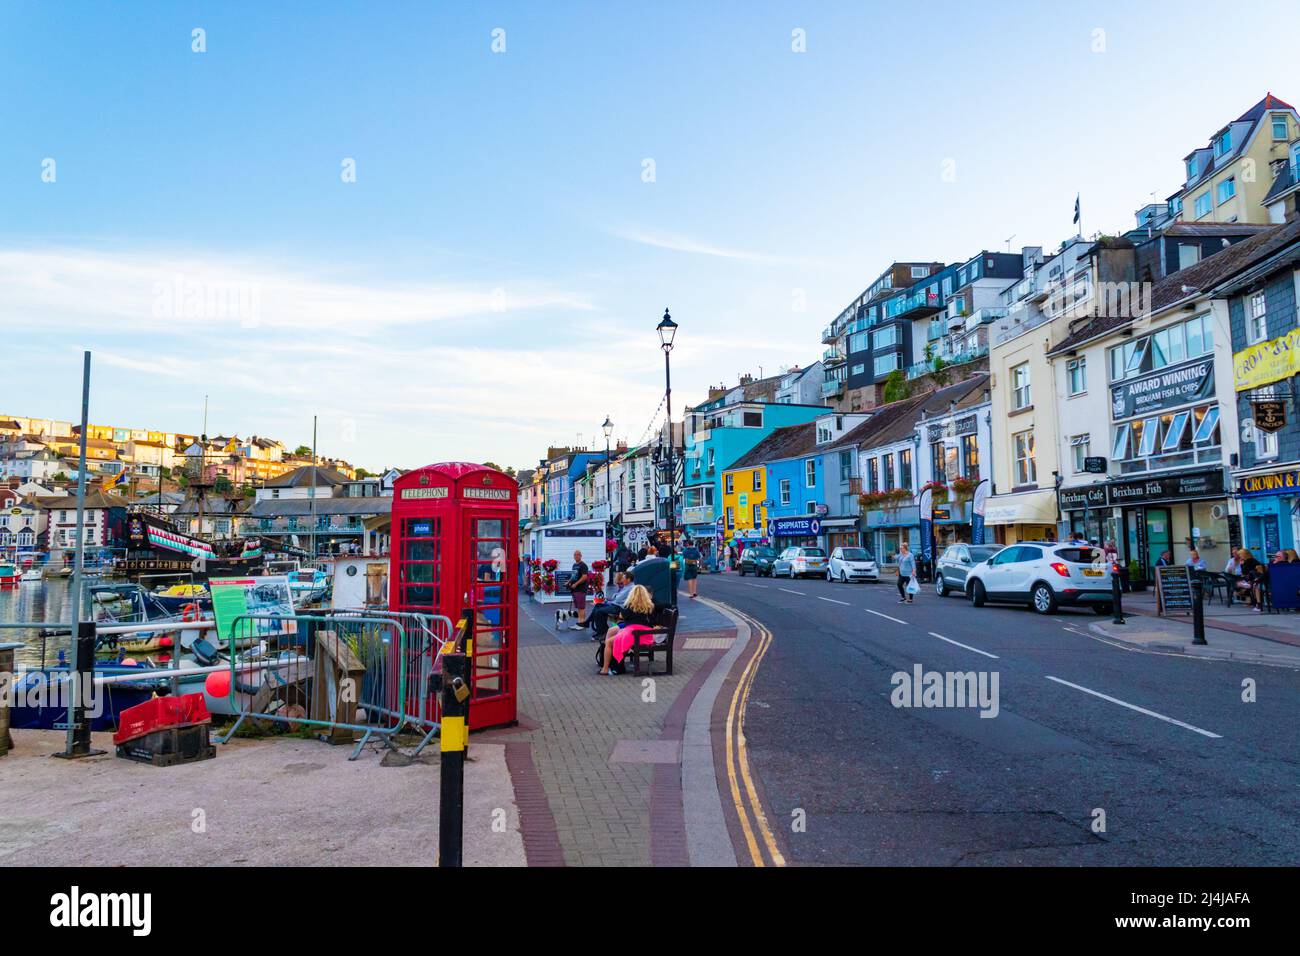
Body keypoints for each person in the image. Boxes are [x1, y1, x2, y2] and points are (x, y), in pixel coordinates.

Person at [596, 585, 658, 675]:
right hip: (645, 636)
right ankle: (615, 665)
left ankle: (605, 668)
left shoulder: (629, 606)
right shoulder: (650, 606)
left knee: (609, 642)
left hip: (632, 634)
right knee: (619, 638)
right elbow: (653, 622)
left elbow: (622, 617)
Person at [632, 544, 674, 609]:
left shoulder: (640, 564)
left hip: (643, 594)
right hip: (663, 599)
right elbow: (676, 571)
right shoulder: (667, 562)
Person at [567, 550, 590, 630]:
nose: (576, 556)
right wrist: (569, 582)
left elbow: (584, 577)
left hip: (581, 588)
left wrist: (576, 584)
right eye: (575, 555)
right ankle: (579, 623)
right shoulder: (574, 565)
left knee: (581, 607)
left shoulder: (583, 565)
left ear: (581, 556)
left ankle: (581, 624)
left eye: (578, 555)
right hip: (574, 589)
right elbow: (573, 576)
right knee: (578, 607)